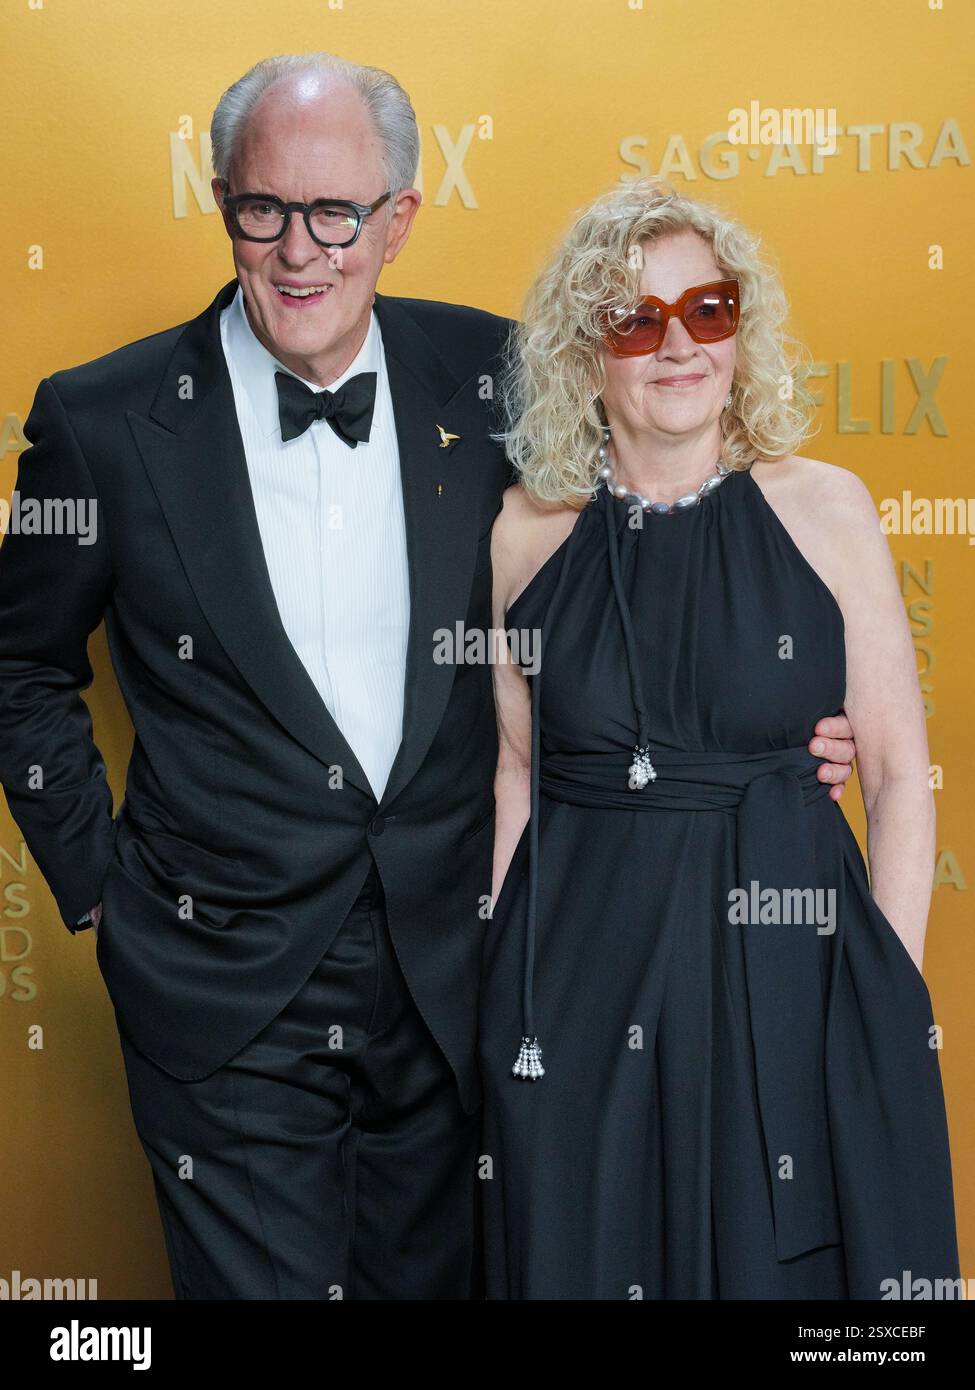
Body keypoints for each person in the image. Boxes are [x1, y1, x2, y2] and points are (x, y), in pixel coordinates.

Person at [0, 54, 857, 1299]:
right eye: (265, 209)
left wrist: (782, 730)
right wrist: (106, 902)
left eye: (336, 213)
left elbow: (657, 548)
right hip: (220, 983)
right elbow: (18, 665)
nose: (300, 250)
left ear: (398, 219)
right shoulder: (99, 418)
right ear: (225, 201)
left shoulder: (502, 374)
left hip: (471, 972)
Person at [479, 179, 959, 1299]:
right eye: (635, 320)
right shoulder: (522, 532)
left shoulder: (827, 507)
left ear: (742, 327)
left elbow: (894, 774)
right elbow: (516, 777)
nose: (678, 345)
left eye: (708, 308)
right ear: (582, 352)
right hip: (579, 988)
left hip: (792, 970)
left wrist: (884, 999)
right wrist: (505, 997)